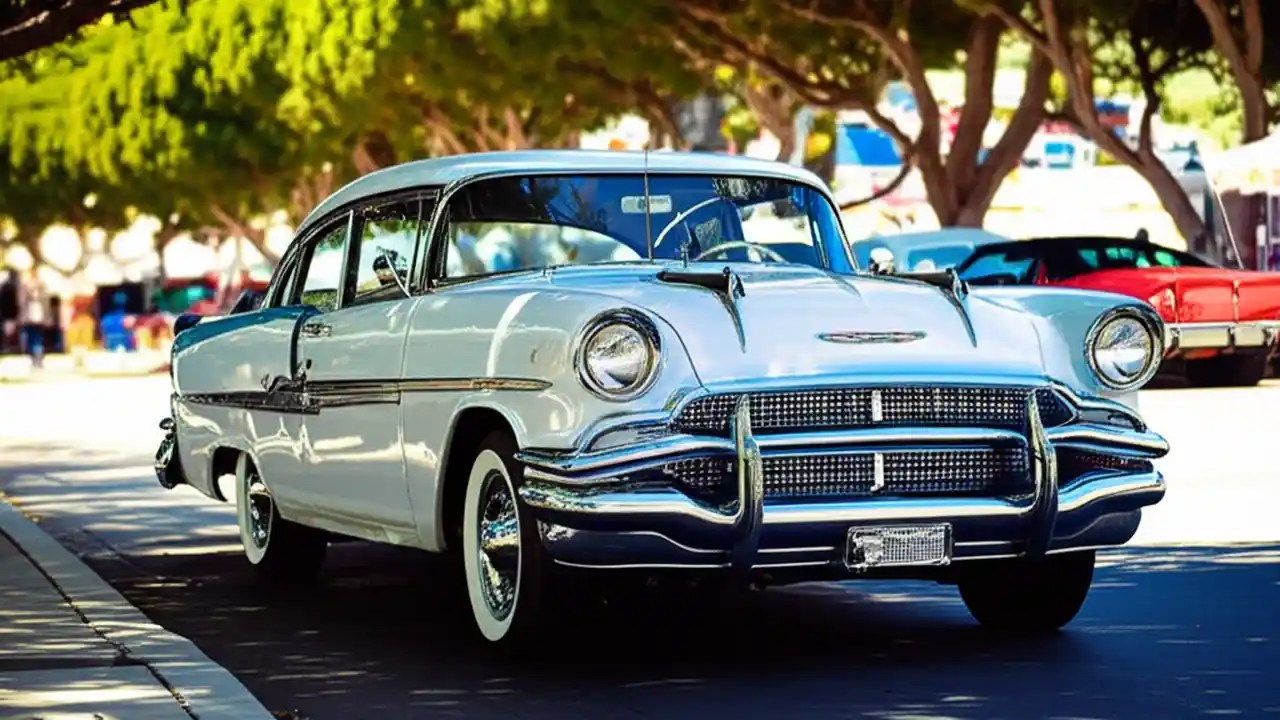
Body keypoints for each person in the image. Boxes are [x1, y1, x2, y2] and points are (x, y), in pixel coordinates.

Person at [16, 268, 51, 369]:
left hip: (29, 315)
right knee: (37, 337)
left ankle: (35, 359)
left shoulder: (25, 285)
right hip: (38, 315)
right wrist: (47, 316)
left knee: (32, 337)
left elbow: (21, 302)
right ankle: (38, 359)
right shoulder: (42, 285)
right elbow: (46, 303)